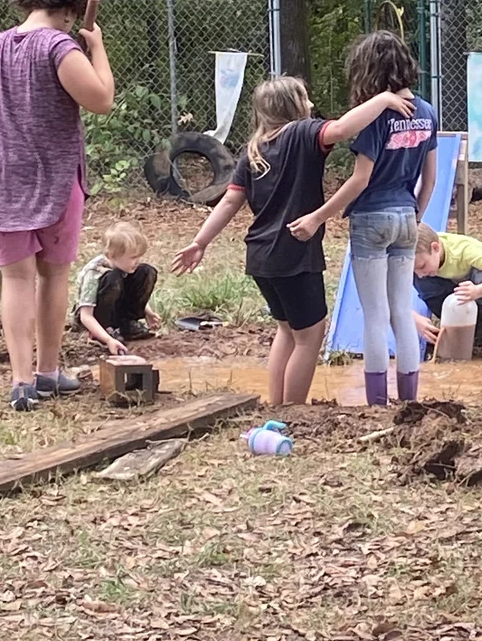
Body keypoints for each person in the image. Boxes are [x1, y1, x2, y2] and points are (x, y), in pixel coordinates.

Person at [172, 75, 414, 406]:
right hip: (294, 254)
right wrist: (385, 99)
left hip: (260, 258)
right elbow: (343, 129)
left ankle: (277, 405)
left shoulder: (253, 150)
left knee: (286, 332)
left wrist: (200, 242)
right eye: (306, 99)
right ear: (294, 106)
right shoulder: (303, 133)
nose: (312, 105)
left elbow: (229, 202)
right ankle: (293, 411)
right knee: (309, 337)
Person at [0, 0, 114, 411]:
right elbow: (101, 99)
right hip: (54, 178)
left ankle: (21, 381)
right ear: (71, 6)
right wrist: (97, 48)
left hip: (0, 176)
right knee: (53, 275)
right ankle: (49, 371)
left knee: (15, 279)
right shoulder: (59, 48)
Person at [291, 32, 438, 407]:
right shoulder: (426, 111)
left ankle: (377, 405)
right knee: (401, 313)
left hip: (372, 219)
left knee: (375, 316)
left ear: (367, 71)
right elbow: (431, 177)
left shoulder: (375, 117)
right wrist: (414, 216)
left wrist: (319, 216)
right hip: (407, 216)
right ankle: (409, 403)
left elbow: (361, 179)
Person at [412, 222, 482, 352]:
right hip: (455, 287)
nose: (419, 274)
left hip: (480, 288)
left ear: (435, 248)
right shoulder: (415, 261)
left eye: (422, 266)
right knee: (423, 281)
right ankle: (452, 322)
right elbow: (384, 293)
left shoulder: (464, 251)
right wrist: (414, 318)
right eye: (414, 270)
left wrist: (478, 291)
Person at [73, 220, 161, 355]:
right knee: (112, 279)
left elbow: (130, 291)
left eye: (139, 256)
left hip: (116, 307)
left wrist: (147, 312)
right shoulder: (95, 273)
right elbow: (86, 316)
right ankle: (102, 331)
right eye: (133, 257)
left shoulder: (122, 265)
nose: (137, 261)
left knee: (147, 271)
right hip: (95, 316)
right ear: (111, 256)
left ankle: (128, 323)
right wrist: (108, 340)